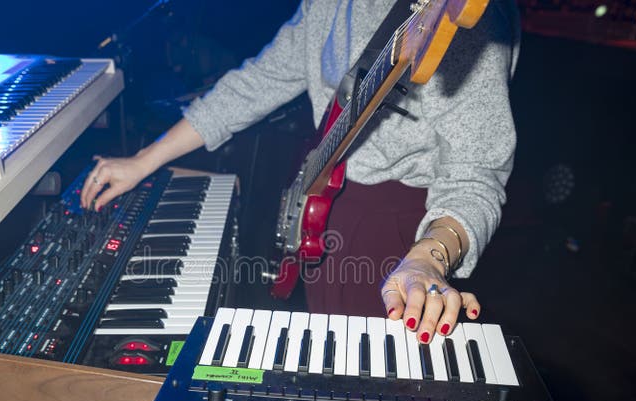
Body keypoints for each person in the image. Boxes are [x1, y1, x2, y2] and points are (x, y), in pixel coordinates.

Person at [80, 0, 521, 344]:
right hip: (328, 202)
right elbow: (258, 82)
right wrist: (144, 160)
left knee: (372, 392)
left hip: (399, 232)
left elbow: (476, 173)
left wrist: (428, 257)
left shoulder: (471, 22)